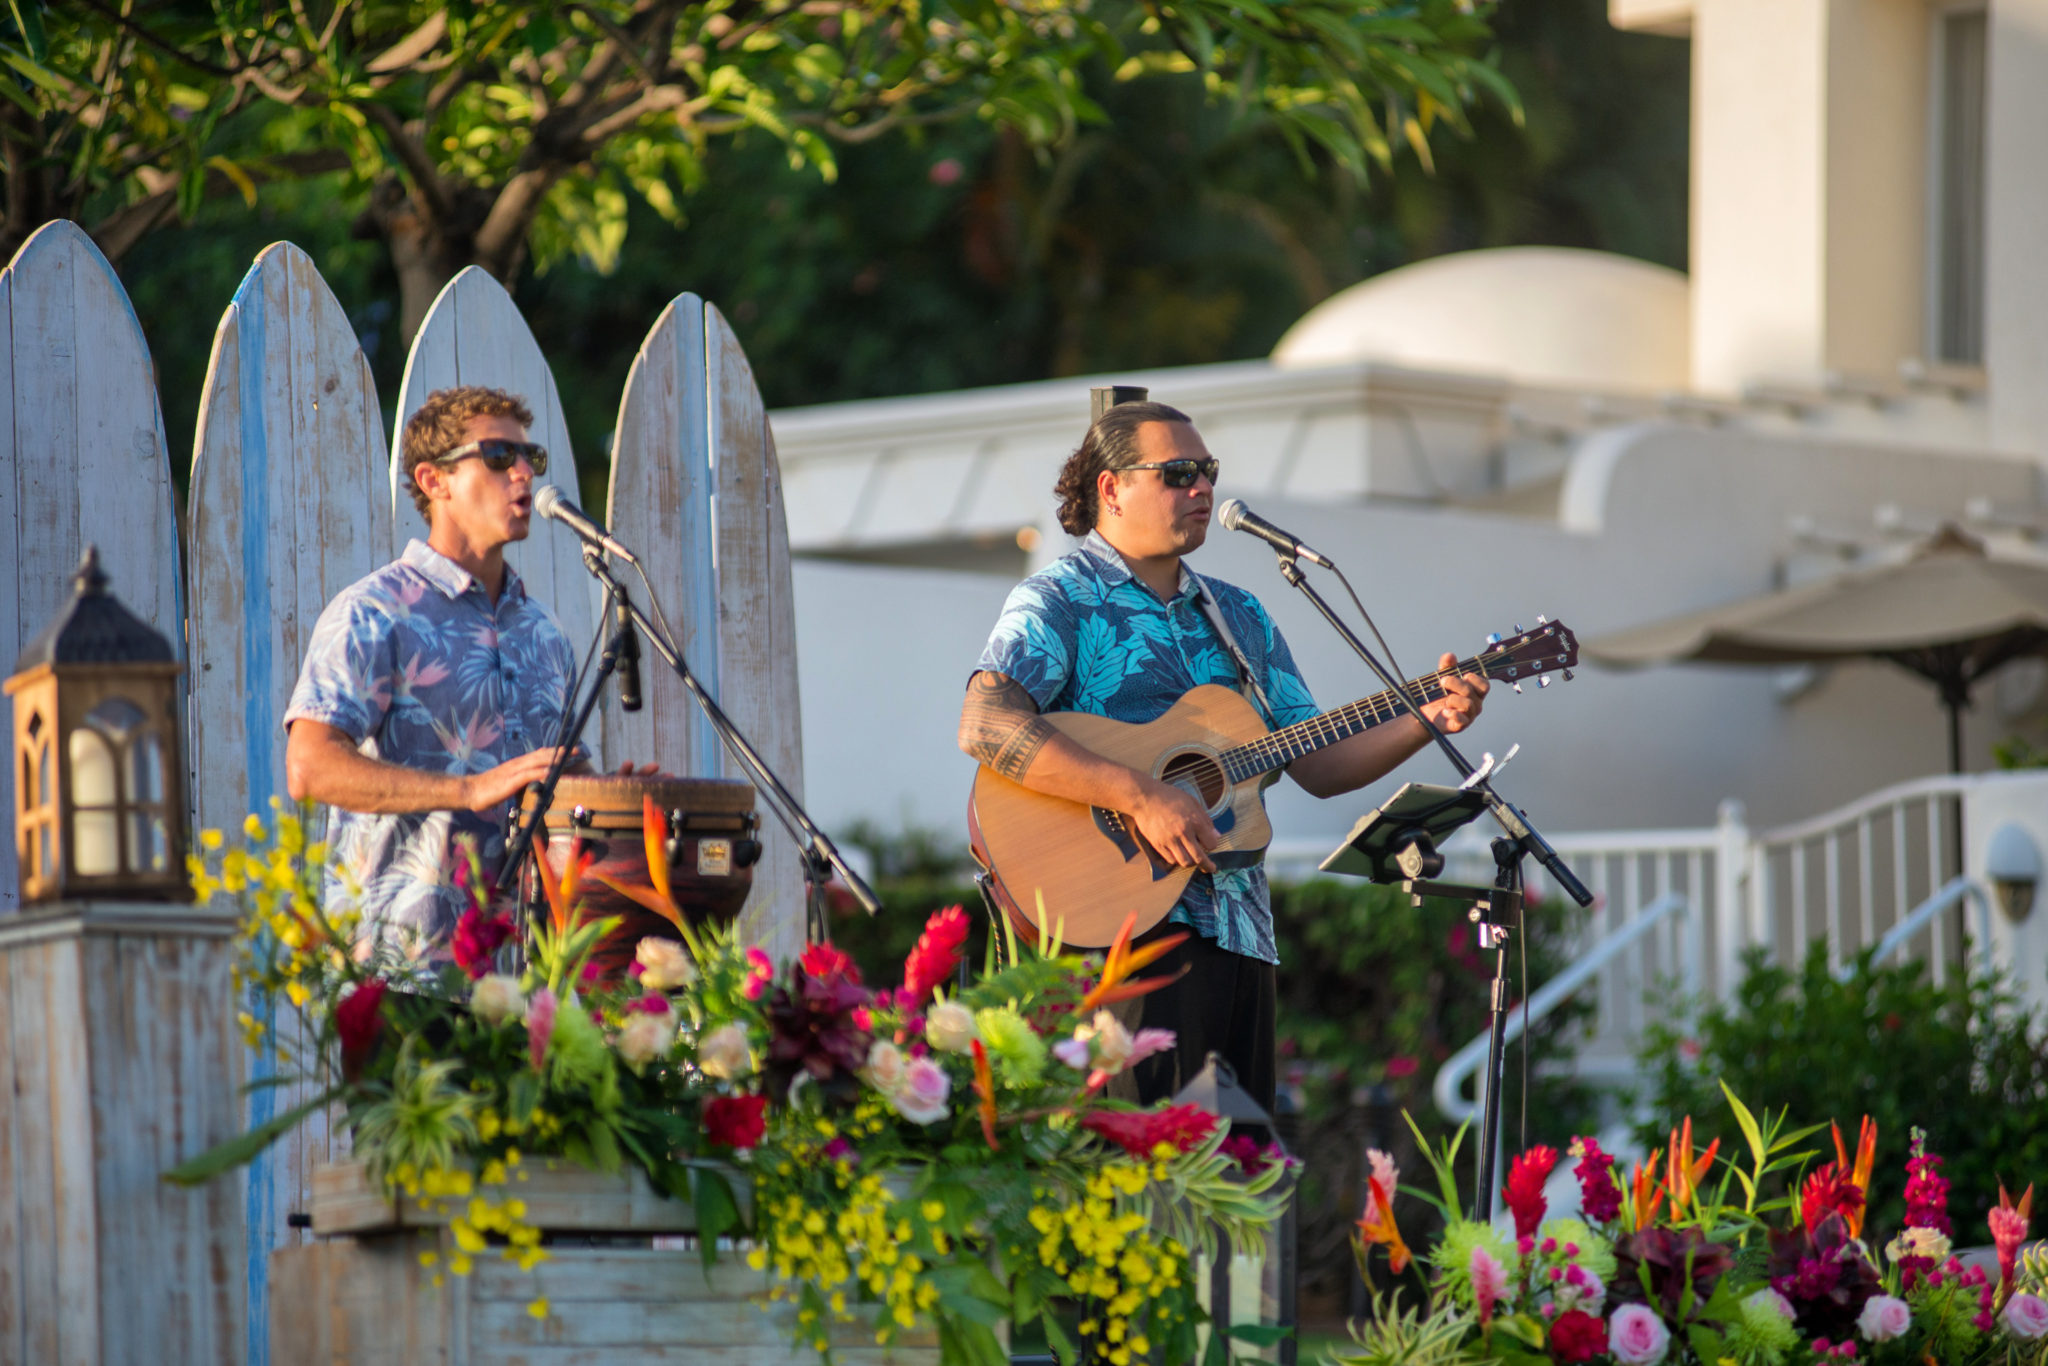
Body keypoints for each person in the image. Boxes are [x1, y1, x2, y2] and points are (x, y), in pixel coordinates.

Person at [958, 400, 1489, 1110]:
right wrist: (1142, 795)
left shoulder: (1239, 615)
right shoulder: (1059, 599)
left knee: (1245, 1180)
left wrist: (1426, 721)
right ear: (1111, 487)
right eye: (1177, 473)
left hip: (1240, 932)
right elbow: (985, 722)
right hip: (1123, 937)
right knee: (1152, 1187)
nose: (1201, 489)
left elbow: (1318, 763)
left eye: (1206, 472)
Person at [284, 385, 581, 949]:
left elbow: (553, 786)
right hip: (404, 972)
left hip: (527, 977)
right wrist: (469, 791)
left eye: (530, 458)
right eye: (499, 457)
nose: (523, 473)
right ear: (433, 480)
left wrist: (607, 792)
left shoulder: (545, 633)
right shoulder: (373, 613)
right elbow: (310, 766)